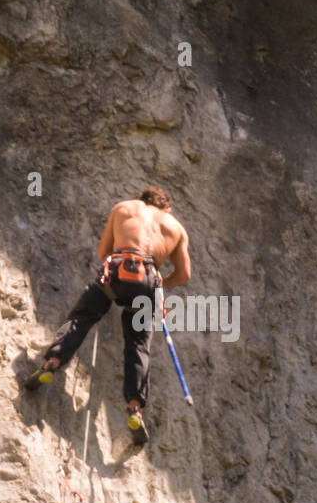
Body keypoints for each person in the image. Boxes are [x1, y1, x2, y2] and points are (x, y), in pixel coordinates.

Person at [23, 187, 191, 445]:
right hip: (148, 281)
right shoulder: (176, 227)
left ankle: (52, 364)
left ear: (142, 200)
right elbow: (183, 275)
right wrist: (160, 281)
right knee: (138, 344)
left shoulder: (123, 208)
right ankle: (134, 407)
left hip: (117, 272)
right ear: (166, 208)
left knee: (82, 317)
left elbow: (104, 253)